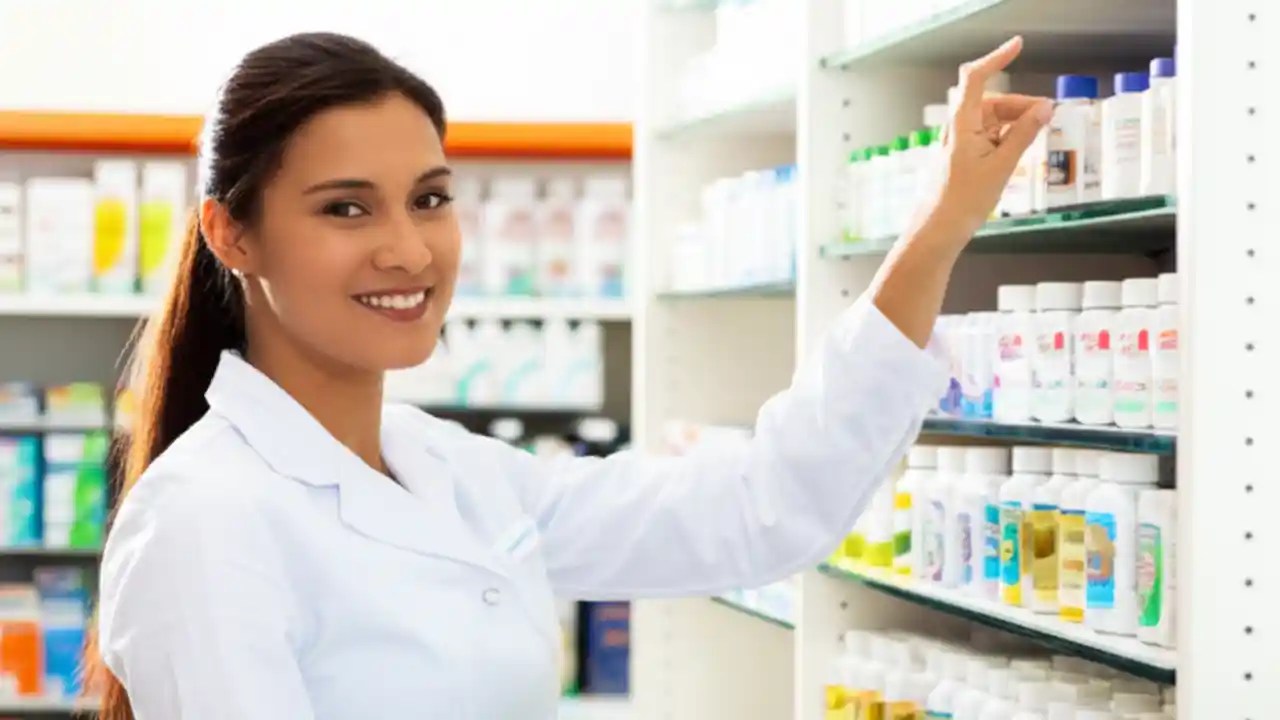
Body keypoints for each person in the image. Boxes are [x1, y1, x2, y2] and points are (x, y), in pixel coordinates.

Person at [87, 31, 1053, 720]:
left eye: (430, 199)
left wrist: (941, 222)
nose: (408, 250)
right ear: (231, 232)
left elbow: (759, 508)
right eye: (347, 210)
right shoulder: (206, 519)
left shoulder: (447, 470)